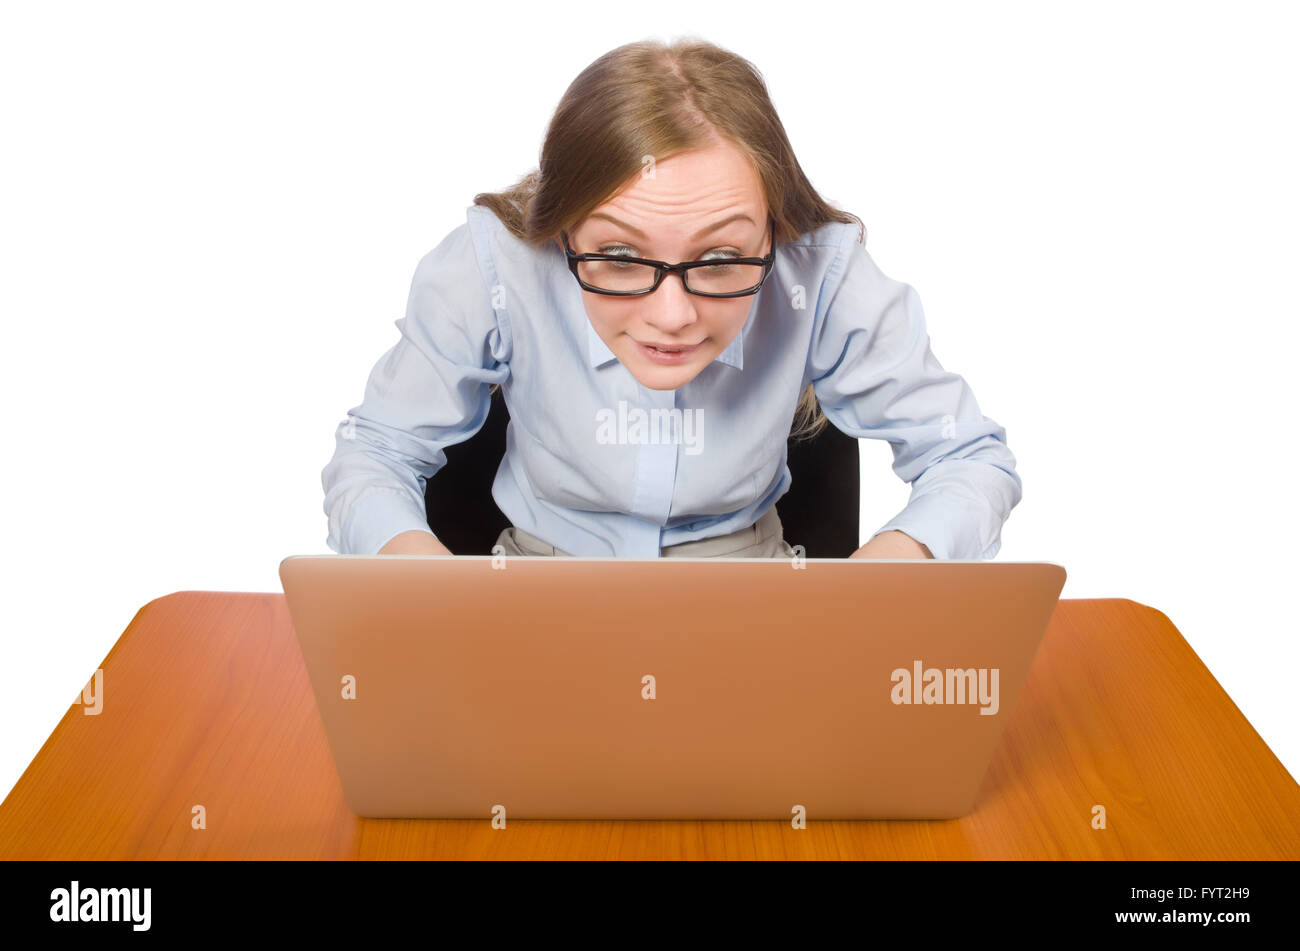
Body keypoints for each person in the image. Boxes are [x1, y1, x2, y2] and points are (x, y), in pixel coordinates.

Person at [321, 38, 1021, 561]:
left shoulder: (822, 273)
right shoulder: (495, 263)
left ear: (775, 232)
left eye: (719, 259)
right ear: (563, 229)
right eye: (620, 257)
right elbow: (373, 452)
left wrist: (886, 576)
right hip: (529, 609)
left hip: (757, 619)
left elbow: (969, 456)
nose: (672, 315)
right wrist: (423, 588)